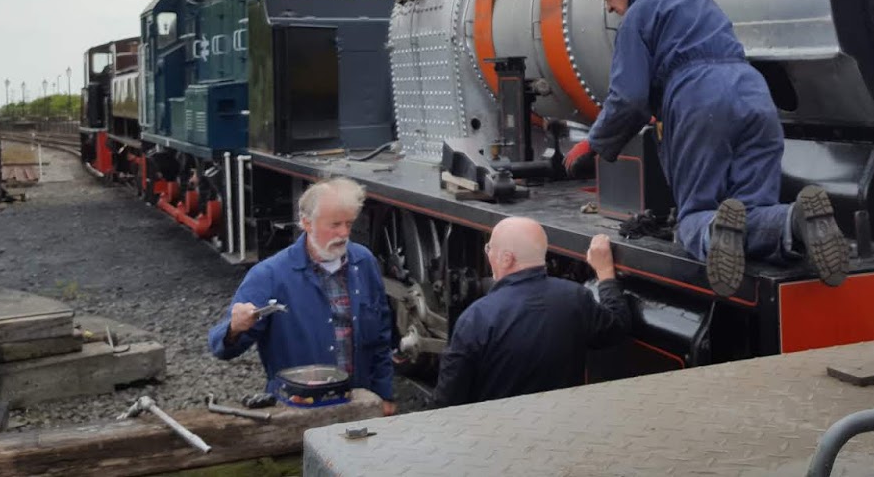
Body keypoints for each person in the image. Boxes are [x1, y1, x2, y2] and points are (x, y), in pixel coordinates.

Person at [563, 0, 850, 297]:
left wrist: (595, 143)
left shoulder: (637, 15)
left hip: (698, 98)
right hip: (754, 93)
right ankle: (794, 221)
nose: (608, 6)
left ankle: (713, 229)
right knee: (754, 206)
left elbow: (629, 98)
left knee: (694, 214)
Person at [208, 177, 396, 415]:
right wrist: (234, 329)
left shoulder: (364, 262)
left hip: (357, 403)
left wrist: (384, 394)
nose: (344, 233)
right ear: (307, 223)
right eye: (335, 225)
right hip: (297, 410)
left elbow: (381, 337)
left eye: (349, 224)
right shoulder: (270, 275)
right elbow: (221, 348)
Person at [431, 218, 631, 407]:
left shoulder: (476, 318)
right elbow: (618, 326)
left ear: (507, 258)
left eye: (489, 248)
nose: (488, 254)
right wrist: (605, 274)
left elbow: (448, 398)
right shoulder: (576, 298)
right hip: (560, 425)